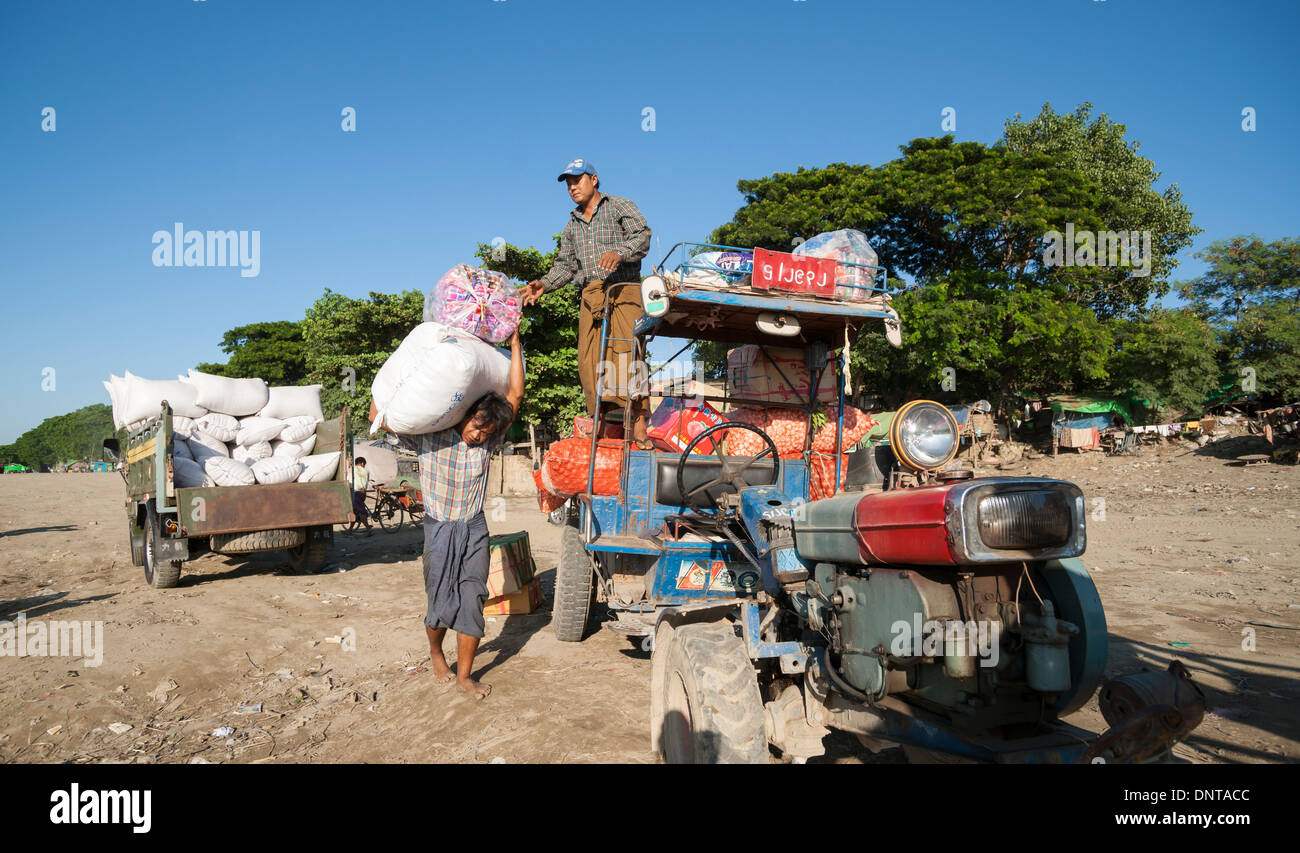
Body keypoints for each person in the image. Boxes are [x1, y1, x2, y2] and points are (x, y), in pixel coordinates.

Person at [368, 328, 525, 700]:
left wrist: (516, 344)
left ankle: (465, 675)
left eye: (486, 432)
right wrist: (386, 392)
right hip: (439, 528)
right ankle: (437, 654)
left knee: (472, 597)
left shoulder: (488, 441)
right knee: (440, 601)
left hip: (474, 527)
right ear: (465, 415)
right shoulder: (430, 435)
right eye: (476, 426)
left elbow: (515, 394)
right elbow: (381, 416)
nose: (479, 435)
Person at [519, 158, 652, 447]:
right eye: (568, 183)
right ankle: (601, 424)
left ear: (593, 179)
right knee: (589, 361)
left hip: (624, 290)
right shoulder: (572, 225)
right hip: (591, 297)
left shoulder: (618, 205)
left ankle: (639, 425)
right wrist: (544, 284)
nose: (572, 187)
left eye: (577, 180)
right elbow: (565, 266)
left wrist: (620, 252)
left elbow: (642, 236)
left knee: (627, 355)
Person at [350, 457, 372, 533]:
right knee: (356, 511)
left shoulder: (353, 470)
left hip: (355, 493)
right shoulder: (367, 471)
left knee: (360, 511)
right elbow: (366, 483)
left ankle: (368, 528)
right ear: (362, 463)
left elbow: (349, 481)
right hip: (362, 493)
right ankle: (350, 530)